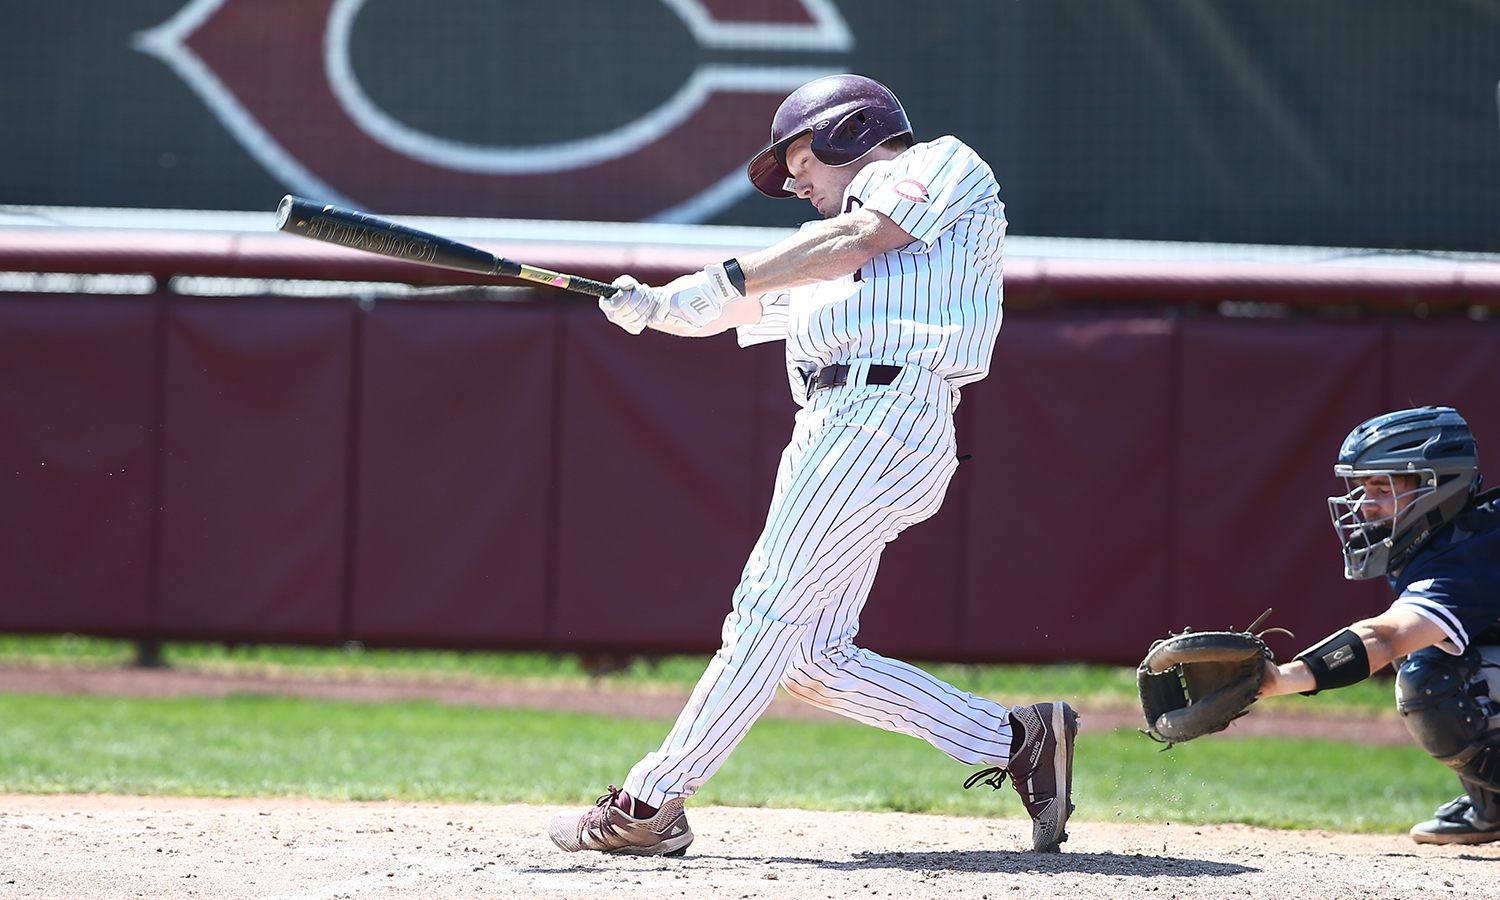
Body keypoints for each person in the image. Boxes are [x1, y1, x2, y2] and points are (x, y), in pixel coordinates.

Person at [545, 74, 1077, 857]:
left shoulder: (939, 166)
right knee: (810, 660)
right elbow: (747, 306)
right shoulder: (826, 267)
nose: (793, 181)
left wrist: (724, 277)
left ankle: (651, 801)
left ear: (849, 131)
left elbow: (853, 240)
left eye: (798, 158)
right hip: (836, 422)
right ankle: (1016, 740)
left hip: (887, 412)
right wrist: (656, 307)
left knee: (763, 608)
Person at [1257, 405, 1500, 844]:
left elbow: (1385, 638)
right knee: (1442, 648)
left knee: (1434, 679)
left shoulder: (1465, 556)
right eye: (1363, 487)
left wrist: (1277, 679)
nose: (1365, 505)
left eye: (1380, 486)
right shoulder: (1455, 537)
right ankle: (1491, 805)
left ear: (1436, 487)